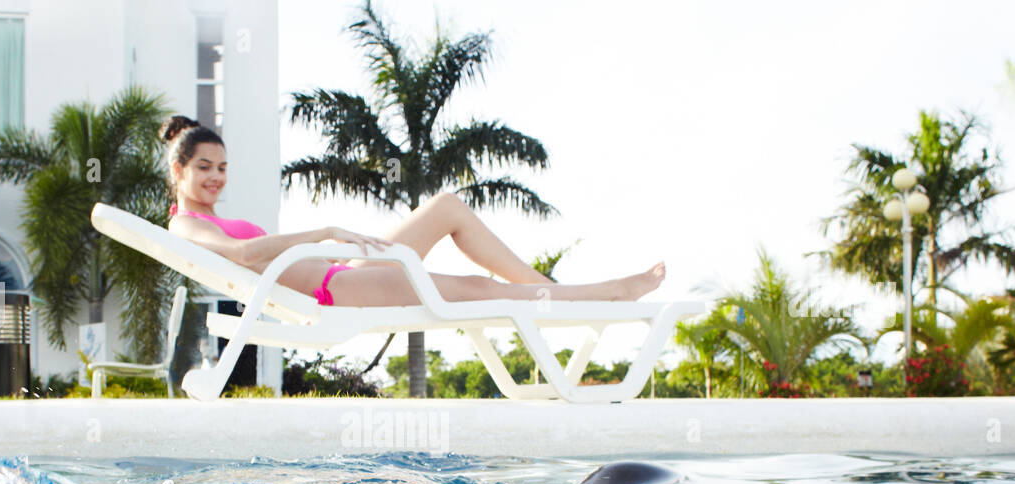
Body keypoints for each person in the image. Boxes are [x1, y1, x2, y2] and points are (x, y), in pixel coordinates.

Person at [160, 115, 666, 308]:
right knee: (477, 290)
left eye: (223, 167)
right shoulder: (185, 224)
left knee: (447, 206)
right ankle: (609, 294)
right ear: (178, 172)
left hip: (341, 274)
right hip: (331, 290)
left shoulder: (207, 215)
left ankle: (556, 296)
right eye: (204, 167)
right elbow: (245, 253)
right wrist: (326, 229)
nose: (216, 178)